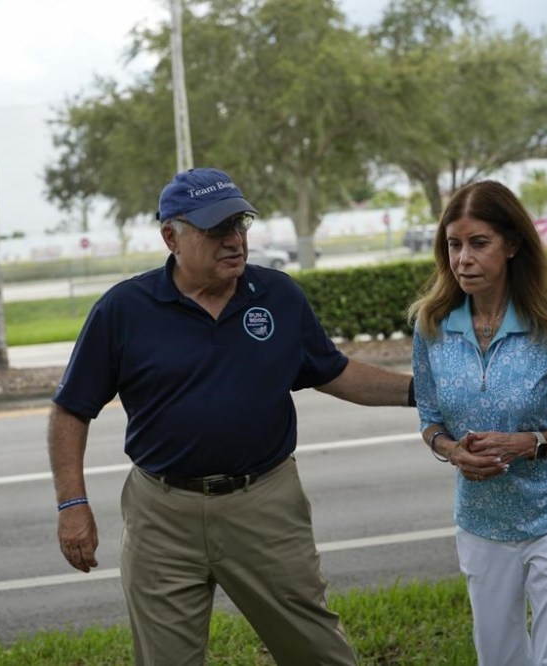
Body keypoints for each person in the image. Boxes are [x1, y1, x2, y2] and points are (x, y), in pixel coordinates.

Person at [48, 166, 415, 665]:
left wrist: (419, 393)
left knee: (316, 651)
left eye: (240, 225)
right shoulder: (124, 310)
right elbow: (71, 409)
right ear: (171, 237)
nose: (234, 240)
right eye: (216, 229)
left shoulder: (278, 296)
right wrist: (72, 505)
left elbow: (335, 372)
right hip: (162, 516)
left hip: (264, 504)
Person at [408, 180, 547, 665]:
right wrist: (451, 450)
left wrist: (530, 444)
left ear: (513, 244)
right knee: (498, 658)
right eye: (454, 245)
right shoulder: (431, 324)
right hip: (480, 523)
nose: (463, 260)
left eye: (479, 243)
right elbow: (430, 419)